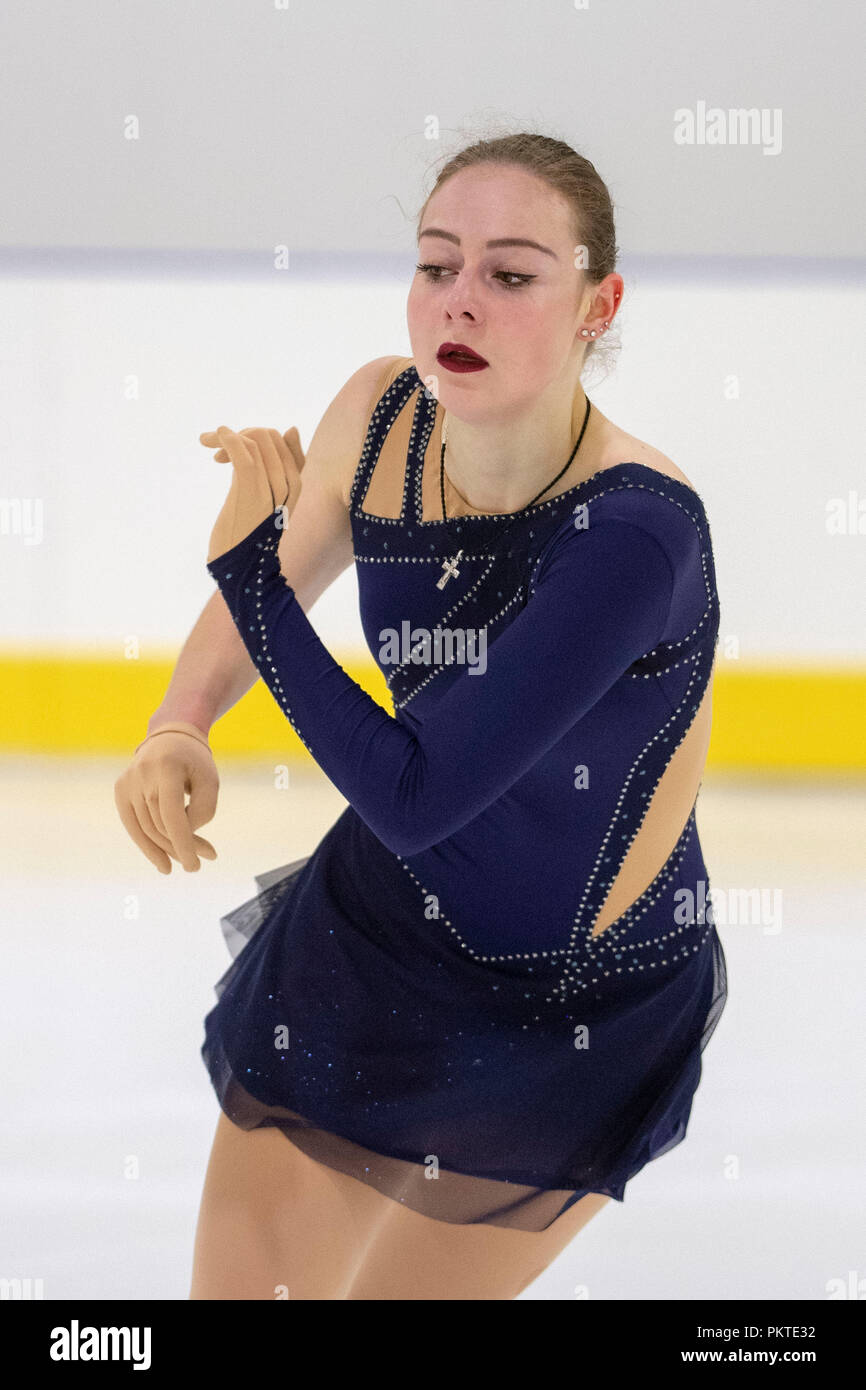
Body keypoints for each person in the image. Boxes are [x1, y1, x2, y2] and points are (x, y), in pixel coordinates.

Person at [114, 133, 727, 1300]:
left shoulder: (637, 533)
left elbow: (415, 792)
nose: (459, 301)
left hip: (574, 1008)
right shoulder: (380, 416)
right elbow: (284, 590)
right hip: (374, 942)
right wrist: (177, 721)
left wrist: (242, 573)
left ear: (599, 303)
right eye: (435, 264)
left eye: (509, 274)